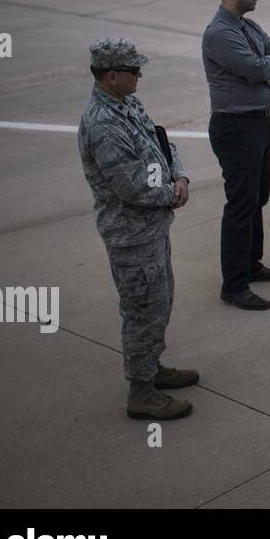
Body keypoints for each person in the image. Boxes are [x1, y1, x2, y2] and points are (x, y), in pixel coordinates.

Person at [78, 38, 197, 420]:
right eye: (134, 71)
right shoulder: (102, 124)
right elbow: (129, 185)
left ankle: (152, 367)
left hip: (151, 227)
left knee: (159, 300)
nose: (140, 76)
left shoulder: (125, 102)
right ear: (111, 76)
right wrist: (170, 194)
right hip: (130, 234)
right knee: (141, 307)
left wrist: (179, 174)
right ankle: (141, 390)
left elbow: (160, 139)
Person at [202, 0, 270, 311]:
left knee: (257, 198)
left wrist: (266, 63)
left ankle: (252, 264)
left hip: (257, 122)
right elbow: (257, 69)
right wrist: (266, 64)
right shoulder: (220, 33)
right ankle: (234, 284)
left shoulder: (246, 27)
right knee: (241, 204)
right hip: (235, 127)